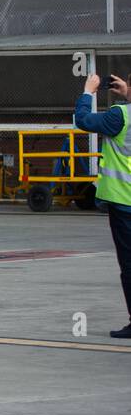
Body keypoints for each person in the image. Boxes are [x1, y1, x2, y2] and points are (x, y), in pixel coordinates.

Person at [76, 73, 131, 338]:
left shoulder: (119, 115)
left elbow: (83, 121)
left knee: (129, 265)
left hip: (125, 202)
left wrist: (88, 92)